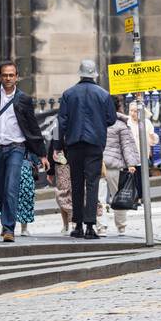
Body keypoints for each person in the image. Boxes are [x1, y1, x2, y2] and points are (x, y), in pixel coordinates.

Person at [0, 60, 48, 243]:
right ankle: (6, 220)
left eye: (11, 75)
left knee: (11, 187)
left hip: (16, 147)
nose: (8, 78)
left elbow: (32, 126)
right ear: (0, 77)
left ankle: (9, 228)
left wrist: (42, 154)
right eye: (5, 75)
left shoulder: (23, 99)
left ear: (17, 77)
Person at [56, 59, 115, 240]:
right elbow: (111, 119)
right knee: (92, 184)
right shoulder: (103, 95)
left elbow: (62, 121)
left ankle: (78, 225)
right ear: (95, 74)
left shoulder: (69, 94)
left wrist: (59, 146)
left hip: (74, 143)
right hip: (95, 143)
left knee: (76, 184)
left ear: (80, 74)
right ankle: (91, 226)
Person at [104, 96, 141, 235]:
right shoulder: (121, 124)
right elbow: (127, 146)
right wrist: (131, 164)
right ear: (118, 107)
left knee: (98, 198)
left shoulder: (96, 122)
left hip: (97, 164)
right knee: (118, 196)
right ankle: (121, 227)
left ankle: (101, 227)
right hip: (114, 166)